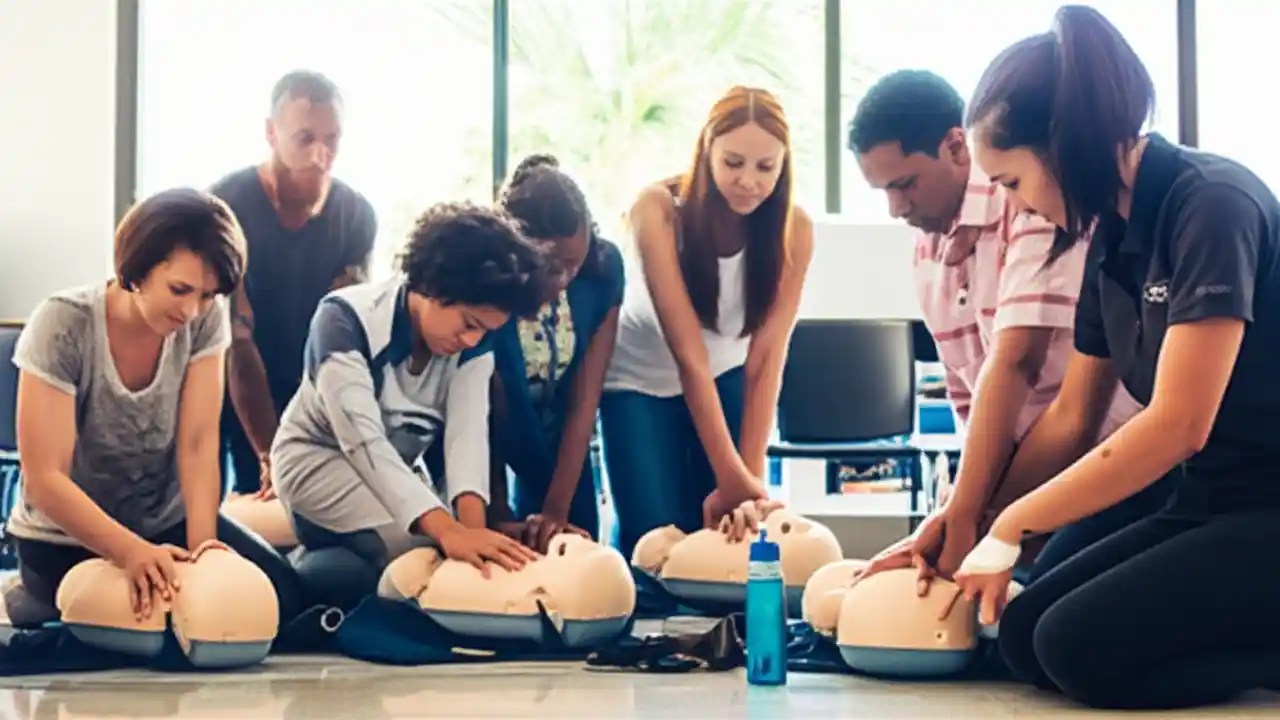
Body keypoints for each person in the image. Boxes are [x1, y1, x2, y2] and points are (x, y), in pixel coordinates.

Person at [950, 6, 1280, 710]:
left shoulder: (1212, 206)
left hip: (1267, 502)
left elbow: (1177, 425)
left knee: (1079, 650)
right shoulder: (1111, 237)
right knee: (1025, 636)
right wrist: (969, 519)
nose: (1018, 208)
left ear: (1064, 146)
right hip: (1204, 495)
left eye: (1011, 182)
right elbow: (1073, 417)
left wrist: (1013, 525)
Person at [845, 69, 1169, 586]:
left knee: (1043, 627)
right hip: (1019, 481)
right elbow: (972, 407)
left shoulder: (1032, 201)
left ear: (955, 146)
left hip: (1108, 463)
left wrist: (975, 516)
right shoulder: (926, 251)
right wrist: (957, 510)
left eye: (905, 184)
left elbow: (1019, 365)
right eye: (882, 191)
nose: (896, 208)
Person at [4, 188, 301, 624]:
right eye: (180, 289)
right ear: (137, 268)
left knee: (281, 604)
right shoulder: (63, 323)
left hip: (164, 525)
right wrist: (132, 553)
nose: (192, 310)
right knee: (153, 622)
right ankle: (30, 600)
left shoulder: (204, 320)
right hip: (63, 538)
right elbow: (45, 479)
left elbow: (199, 445)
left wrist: (203, 556)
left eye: (207, 295)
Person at [271, 201, 550, 601]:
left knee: (446, 554)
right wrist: (451, 533)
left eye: (485, 332)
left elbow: (466, 440)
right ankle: (295, 572)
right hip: (317, 462)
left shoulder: (475, 344)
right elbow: (362, 442)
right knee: (424, 549)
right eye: (469, 324)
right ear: (433, 287)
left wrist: (475, 536)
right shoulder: (342, 320)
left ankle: (334, 567)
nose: (472, 340)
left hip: (396, 475)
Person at [600, 86, 814, 558]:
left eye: (766, 167)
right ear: (706, 150)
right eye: (733, 162)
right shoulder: (655, 210)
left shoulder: (794, 229)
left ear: (783, 166)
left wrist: (748, 485)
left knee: (731, 534)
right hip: (639, 381)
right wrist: (730, 476)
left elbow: (765, 362)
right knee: (654, 541)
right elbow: (688, 355)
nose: (748, 181)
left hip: (729, 375)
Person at [212, 69, 377, 499]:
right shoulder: (224, 207)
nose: (321, 153)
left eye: (332, 139)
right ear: (272, 132)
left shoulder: (356, 216)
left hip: (306, 385)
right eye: (305, 138)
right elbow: (235, 342)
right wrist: (271, 454)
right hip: (222, 386)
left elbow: (339, 337)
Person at [485, 154, 625, 552]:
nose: (562, 280)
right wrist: (496, 514)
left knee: (573, 546)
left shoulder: (604, 270)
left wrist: (556, 511)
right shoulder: (489, 285)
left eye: (572, 265)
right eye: (549, 267)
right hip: (491, 437)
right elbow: (482, 419)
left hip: (564, 436)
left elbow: (585, 402)